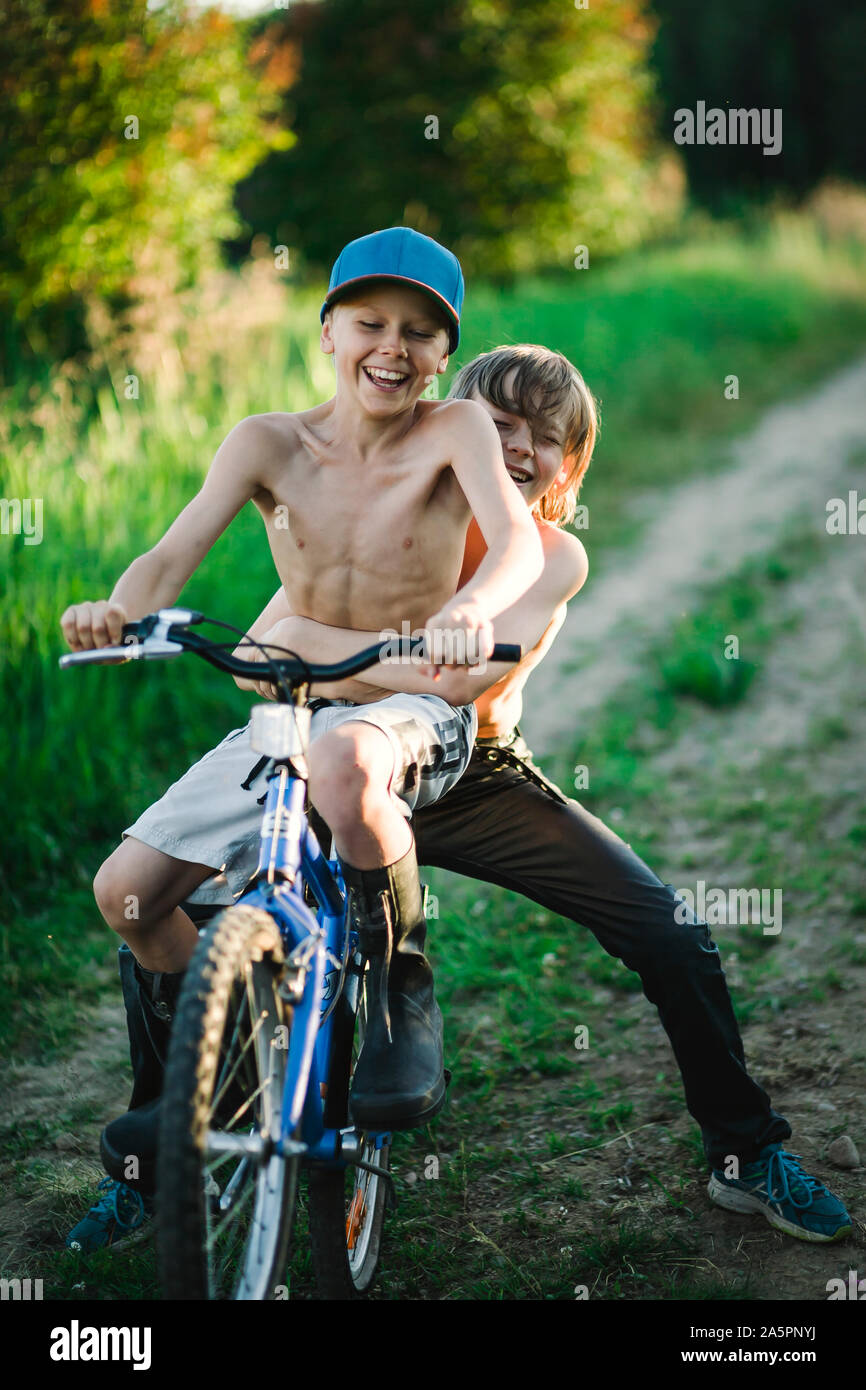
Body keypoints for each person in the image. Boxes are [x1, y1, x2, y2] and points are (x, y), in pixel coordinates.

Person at [68, 343, 852, 1254]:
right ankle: (168, 1153)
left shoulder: (551, 554)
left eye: (544, 438)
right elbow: (262, 654)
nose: (518, 449)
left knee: (667, 931)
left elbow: (443, 683)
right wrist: (352, 653)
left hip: (470, 775)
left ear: (571, 466)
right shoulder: (385, 526)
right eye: (499, 426)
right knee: (153, 903)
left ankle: (745, 1153)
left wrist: (324, 648)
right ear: (451, 432)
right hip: (333, 764)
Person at [60, 228, 547, 1248]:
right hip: (289, 700)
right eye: (369, 323)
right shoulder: (267, 441)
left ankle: (399, 983)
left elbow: (510, 541)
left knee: (346, 762)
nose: (392, 348)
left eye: (419, 332)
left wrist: (472, 606)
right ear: (327, 329)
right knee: (128, 893)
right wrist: (115, 610)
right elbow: (172, 552)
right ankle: (231, 1056)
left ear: (441, 351)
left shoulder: (455, 429)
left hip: (408, 708)